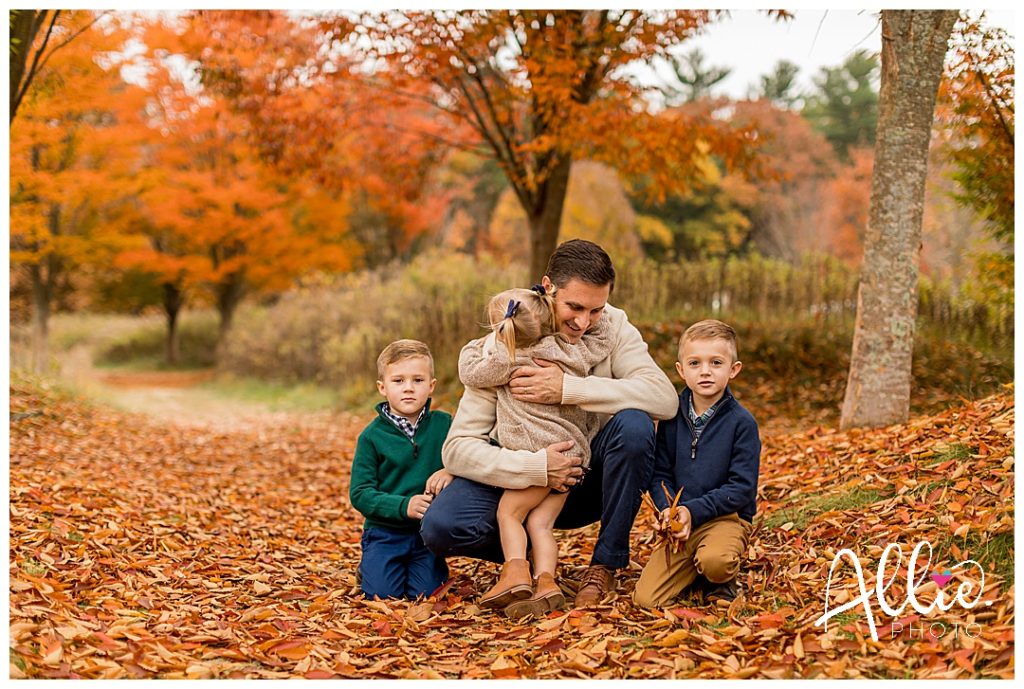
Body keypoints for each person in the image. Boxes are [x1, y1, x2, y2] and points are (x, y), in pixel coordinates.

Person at [420, 239, 679, 613]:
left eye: (596, 309)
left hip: (585, 475)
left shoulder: (612, 326)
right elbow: (458, 447)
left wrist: (568, 388)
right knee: (440, 525)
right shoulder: (510, 337)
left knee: (636, 425)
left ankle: (605, 564)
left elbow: (664, 398)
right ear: (547, 285)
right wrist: (534, 467)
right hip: (521, 479)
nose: (584, 322)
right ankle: (528, 569)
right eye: (574, 307)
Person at [459, 286, 612, 618]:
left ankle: (515, 573)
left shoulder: (504, 359)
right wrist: (602, 315)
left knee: (509, 515)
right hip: (574, 458)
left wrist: (478, 345)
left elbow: (469, 371)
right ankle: (547, 583)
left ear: (501, 331)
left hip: (538, 456)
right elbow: (601, 342)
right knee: (541, 524)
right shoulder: (568, 351)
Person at [633, 319, 761, 608]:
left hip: (724, 518)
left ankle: (717, 577)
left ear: (733, 369)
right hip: (681, 520)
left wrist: (694, 510)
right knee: (646, 599)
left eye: (716, 362)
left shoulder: (742, 423)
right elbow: (660, 473)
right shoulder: (671, 418)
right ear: (681, 370)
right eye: (695, 363)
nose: (705, 371)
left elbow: (741, 488)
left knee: (716, 561)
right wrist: (667, 510)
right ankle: (693, 568)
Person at [349, 339, 454, 599]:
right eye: (398, 381)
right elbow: (360, 493)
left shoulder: (445, 425)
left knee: (427, 594)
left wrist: (452, 468)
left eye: (418, 381)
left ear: (431, 386)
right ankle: (370, 566)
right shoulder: (371, 437)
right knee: (382, 596)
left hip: (427, 534)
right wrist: (403, 506)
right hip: (384, 533)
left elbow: (478, 450)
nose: (408, 388)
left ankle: (422, 570)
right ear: (382, 387)